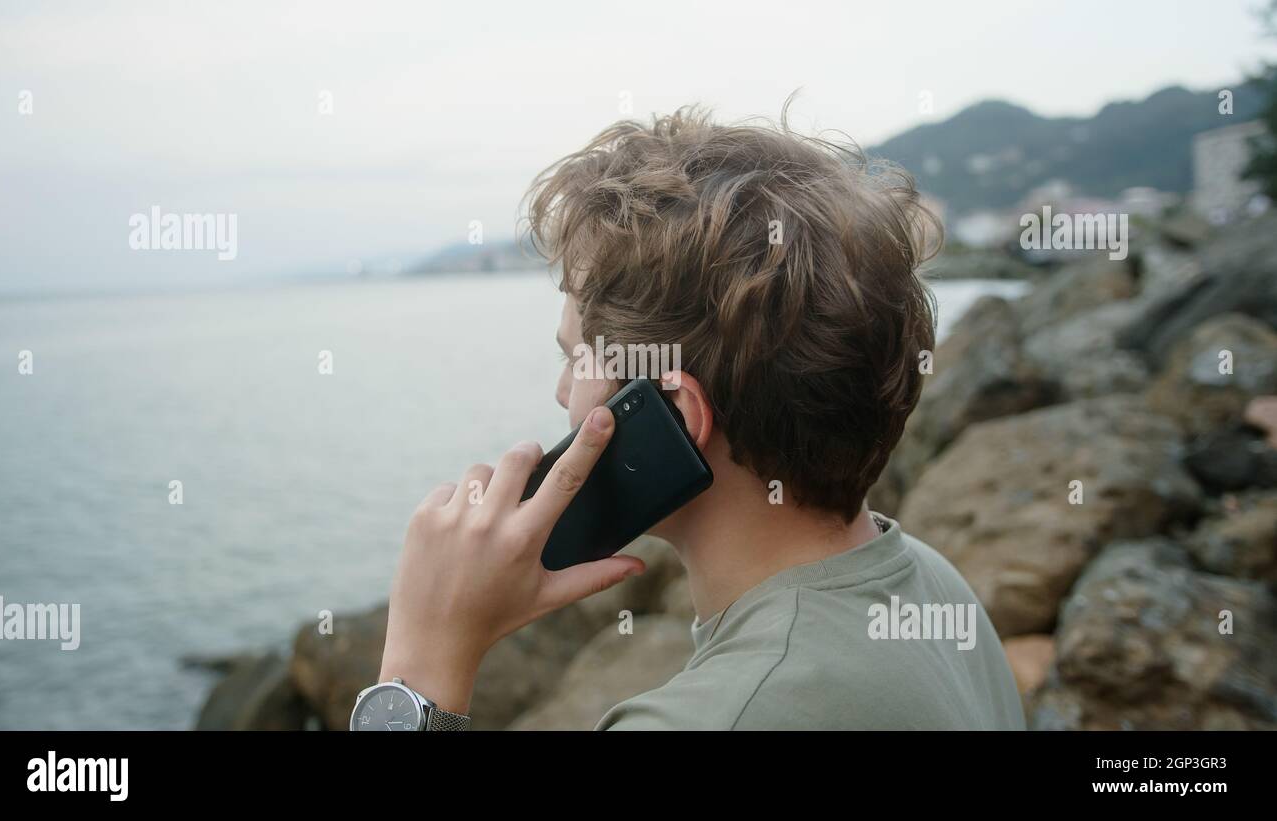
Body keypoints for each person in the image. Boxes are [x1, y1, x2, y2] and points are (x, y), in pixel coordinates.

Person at [375, 105, 1026, 730]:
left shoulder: (718, 715)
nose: (561, 391)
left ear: (676, 416)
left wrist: (421, 669)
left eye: (576, 359)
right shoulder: (932, 585)